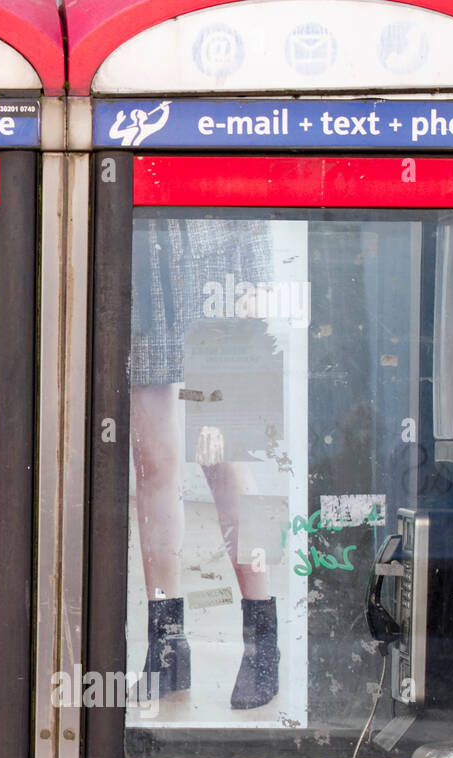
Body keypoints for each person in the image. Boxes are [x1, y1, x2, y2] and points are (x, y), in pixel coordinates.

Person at [130, 216, 279, 709]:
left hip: (218, 265)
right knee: (153, 463)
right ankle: (166, 648)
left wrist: (256, 286)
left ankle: (264, 641)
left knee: (227, 457)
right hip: (142, 260)